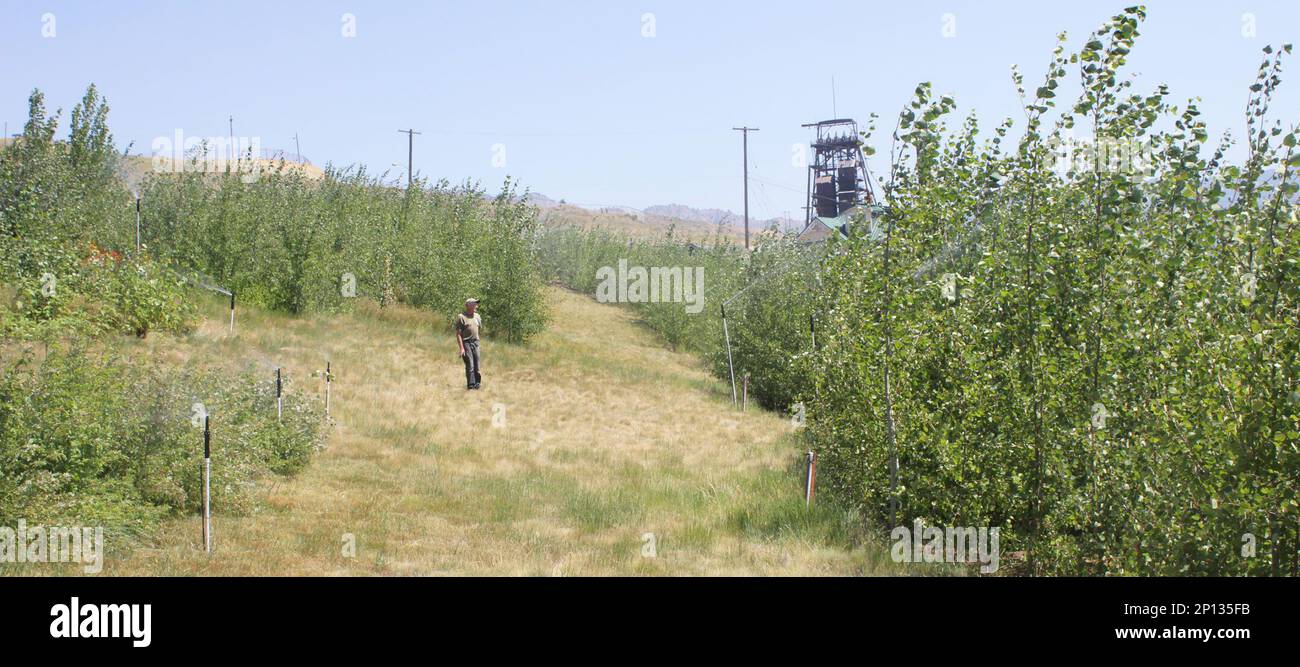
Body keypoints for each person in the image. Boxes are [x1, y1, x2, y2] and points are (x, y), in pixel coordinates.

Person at [456, 298, 483, 390]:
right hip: (466, 342)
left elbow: (478, 330)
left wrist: (477, 341)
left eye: (476, 304)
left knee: (477, 365)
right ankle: (471, 386)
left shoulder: (478, 316)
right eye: (475, 304)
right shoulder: (461, 317)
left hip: (476, 342)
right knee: (470, 364)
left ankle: (477, 384)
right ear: (468, 305)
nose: (476, 306)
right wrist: (461, 348)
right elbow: (458, 334)